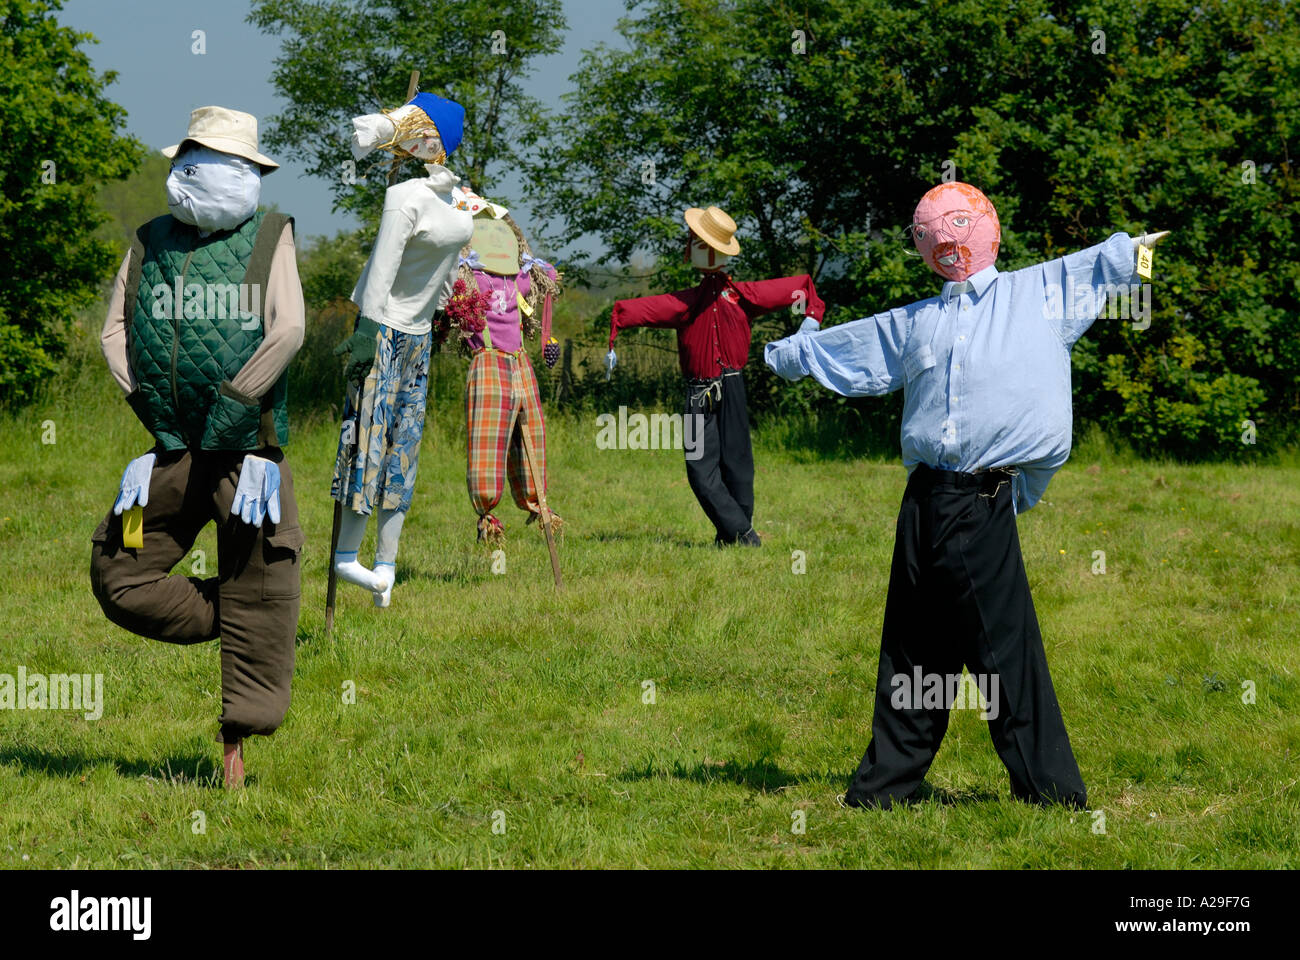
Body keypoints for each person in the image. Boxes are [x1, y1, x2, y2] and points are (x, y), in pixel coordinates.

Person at [765, 181, 1170, 809]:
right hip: (922, 499)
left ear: (989, 230)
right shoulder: (919, 320)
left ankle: (1050, 792)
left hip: (981, 501)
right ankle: (887, 787)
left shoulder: (1039, 293)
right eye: (930, 232)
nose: (945, 241)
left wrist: (1142, 252)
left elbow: (1114, 266)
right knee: (913, 648)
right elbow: (854, 346)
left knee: (1001, 649)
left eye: (957, 226)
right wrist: (791, 356)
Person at [91, 106, 305, 788]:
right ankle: (242, 611)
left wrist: (238, 403)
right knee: (117, 566)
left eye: (223, 164)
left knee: (265, 569)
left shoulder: (273, 236)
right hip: (168, 455)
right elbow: (114, 331)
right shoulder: (150, 239)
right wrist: (148, 407)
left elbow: (288, 330)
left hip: (249, 461)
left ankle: (241, 741)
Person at [329, 93, 474, 607]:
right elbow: (383, 268)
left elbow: (452, 267)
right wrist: (367, 331)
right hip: (386, 332)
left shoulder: (448, 198)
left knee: (401, 451)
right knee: (367, 447)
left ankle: (385, 565)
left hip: (417, 337)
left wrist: (458, 312)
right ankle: (348, 560)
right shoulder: (410, 197)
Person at [608, 205, 824, 545]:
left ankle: (730, 538)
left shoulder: (742, 296)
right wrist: (617, 323)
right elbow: (643, 309)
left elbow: (800, 288)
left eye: (699, 243)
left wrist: (811, 319)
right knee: (699, 469)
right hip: (698, 393)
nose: (695, 248)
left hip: (732, 386)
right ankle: (743, 533)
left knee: (738, 465)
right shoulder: (687, 302)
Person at [442, 204, 562, 544]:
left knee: (532, 437)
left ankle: (537, 502)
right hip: (489, 363)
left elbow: (549, 276)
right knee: (487, 440)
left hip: (520, 362)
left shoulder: (519, 279)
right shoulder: (471, 278)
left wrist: (529, 260)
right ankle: (487, 513)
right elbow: (449, 288)